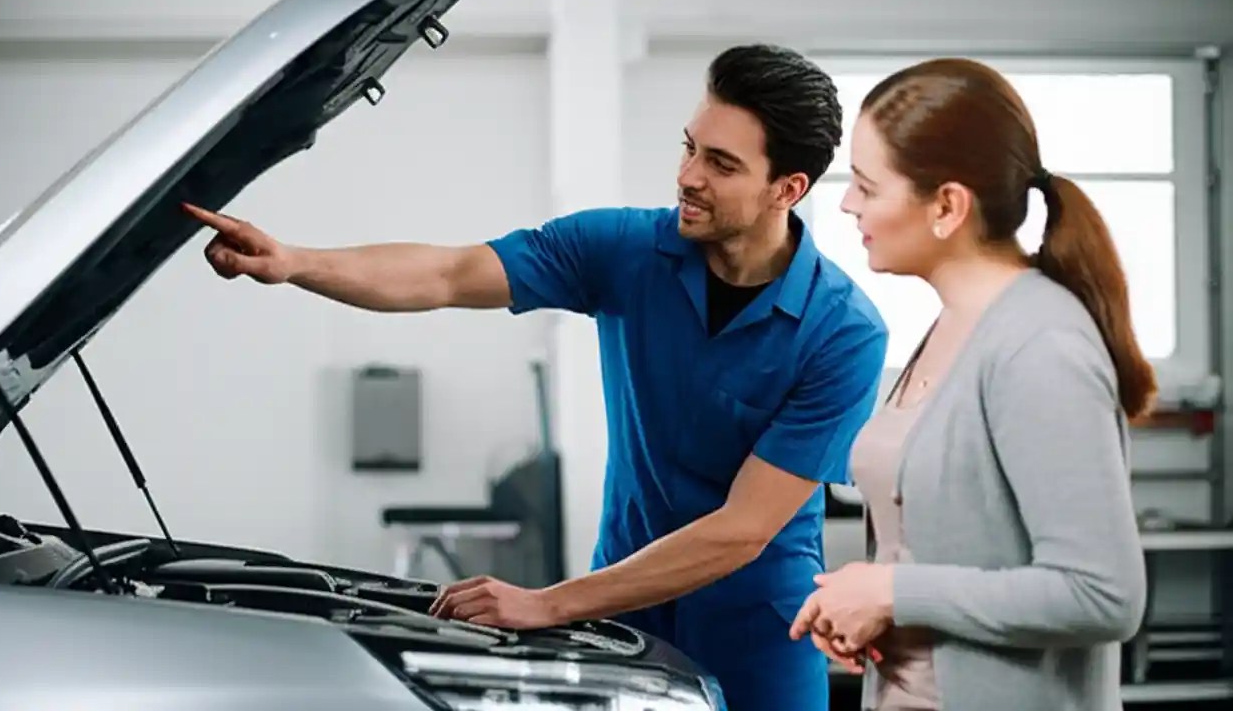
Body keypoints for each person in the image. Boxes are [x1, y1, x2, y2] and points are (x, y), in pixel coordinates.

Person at [182, 44, 888, 710]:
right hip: (623, 611)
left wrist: (547, 603)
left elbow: (742, 529)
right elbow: (449, 272)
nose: (688, 175)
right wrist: (294, 262)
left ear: (787, 188)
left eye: (722, 164)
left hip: (762, 632)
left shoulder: (843, 332)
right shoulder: (623, 248)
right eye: (689, 147)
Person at [788, 57, 1151, 710]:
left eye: (868, 187)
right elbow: (954, 551)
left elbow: (1103, 594)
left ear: (947, 206)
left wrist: (892, 593)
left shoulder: (1040, 344)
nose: (846, 202)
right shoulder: (956, 322)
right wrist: (871, 597)